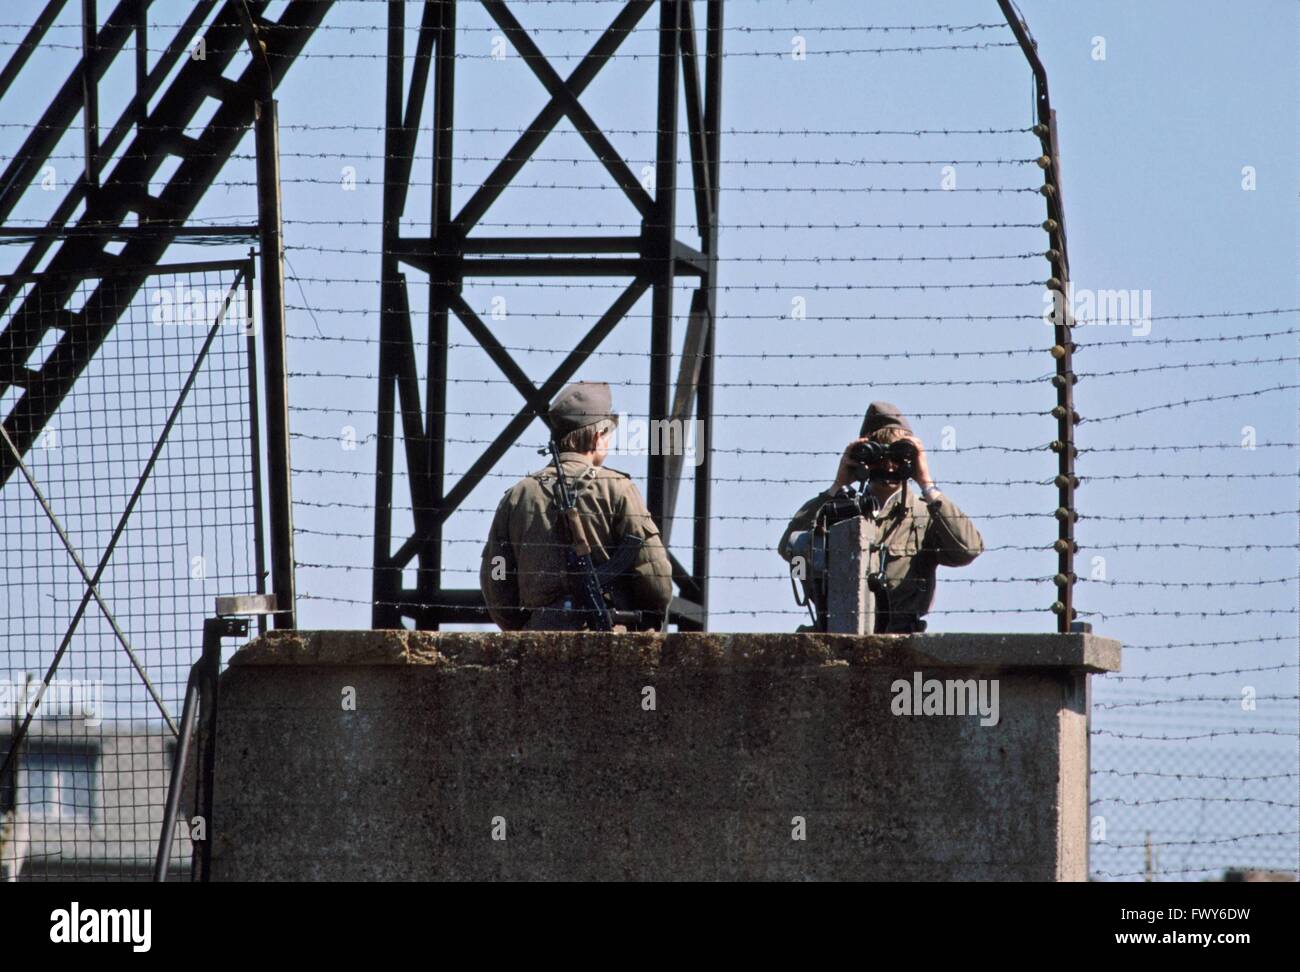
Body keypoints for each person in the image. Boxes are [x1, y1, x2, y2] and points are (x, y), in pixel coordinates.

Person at [480, 381, 674, 631]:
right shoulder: (618, 489)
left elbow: (496, 579)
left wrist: (524, 628)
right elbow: (656, 581)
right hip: (609, 634)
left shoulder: (516, 497)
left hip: (537, 638)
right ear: (597, 437)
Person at [777, 401, 984, 633]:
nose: (889, 465)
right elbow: (789, 550)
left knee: (918, 673)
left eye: (897, 455)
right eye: (878, 455)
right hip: (836, 636)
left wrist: (927, 485)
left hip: (903, 646)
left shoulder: (925, 515)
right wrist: (837, 487)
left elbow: (967, 550)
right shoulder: (837, 511)